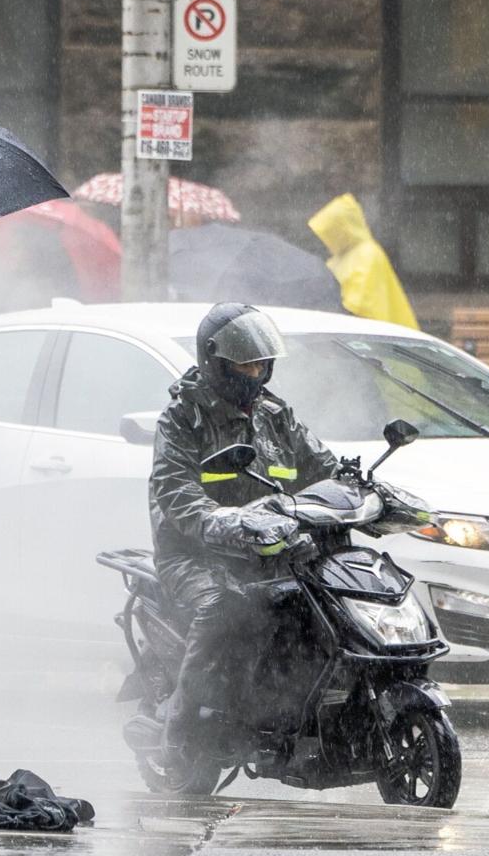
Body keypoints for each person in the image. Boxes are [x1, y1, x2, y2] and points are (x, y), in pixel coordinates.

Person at [150, 302, 337, 770]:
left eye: (262, 363)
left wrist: (362, 492)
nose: (256, 373)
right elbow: (177, 496)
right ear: (217, 362)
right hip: (196, 556)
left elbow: (324, 468)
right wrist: (230, 523)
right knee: (222, 607)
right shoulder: (183, 419)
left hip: (274, 550)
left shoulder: (275, 415)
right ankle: (182, 727)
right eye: (245, 363)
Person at [308, 193, 419, 330]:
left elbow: (358, 305)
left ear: (342, 229)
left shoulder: (368, 253)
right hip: (355, 334)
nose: (327, 240)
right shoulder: (338, 259)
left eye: (330, 232)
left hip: (376, 335)